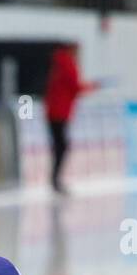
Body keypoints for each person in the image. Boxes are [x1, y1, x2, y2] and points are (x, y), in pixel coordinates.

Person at [44, 44, 95, 195]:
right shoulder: (69, 65)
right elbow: (76, 87)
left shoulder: (57, 65)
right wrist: (92, 87)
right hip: (61, 113)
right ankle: (55, 180)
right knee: (62, 146)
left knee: (59, 146)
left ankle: (55, 179)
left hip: (52, 111)